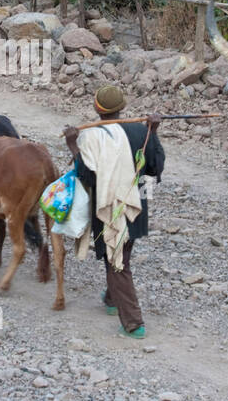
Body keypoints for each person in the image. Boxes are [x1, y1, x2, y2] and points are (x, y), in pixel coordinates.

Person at [63, 85, 164, 339]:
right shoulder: (141, 131)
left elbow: (87, 176)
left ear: (97, 108)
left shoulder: (91, 137)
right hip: (137, 206)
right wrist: (154, 133)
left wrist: (73, 146)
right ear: (123, 107)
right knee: (120, 254)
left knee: (118, 264)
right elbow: (154, 168)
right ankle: (111, 299)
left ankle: (134, 323)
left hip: (109, 208)